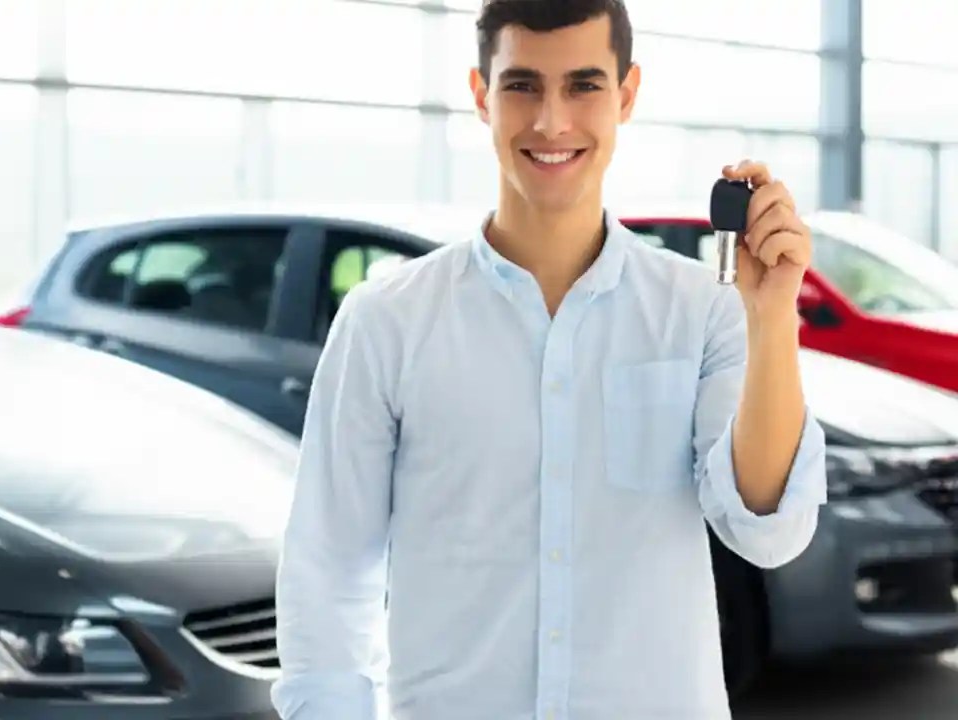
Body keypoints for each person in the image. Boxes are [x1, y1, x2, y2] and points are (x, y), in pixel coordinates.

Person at [270, 0, 828, 718]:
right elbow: (327, 573)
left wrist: (772, 314)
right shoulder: (387, 320)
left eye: (583, 86)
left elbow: (768, 530)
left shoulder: (704, 311)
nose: (552, 121)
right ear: (482, 95)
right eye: (523, 85)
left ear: (626, 95)